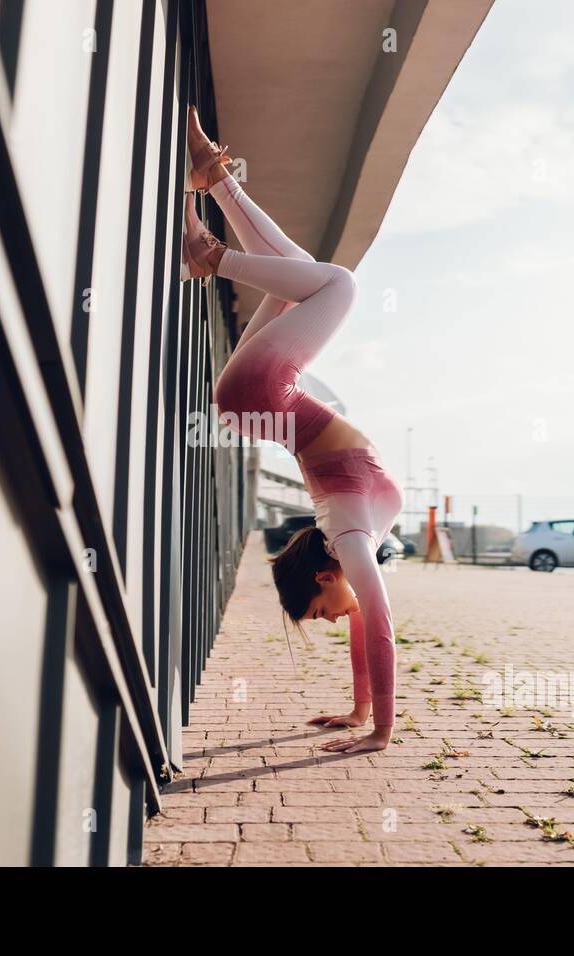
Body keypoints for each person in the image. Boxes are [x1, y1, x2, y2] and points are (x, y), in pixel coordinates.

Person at [181, 106, 403, 754]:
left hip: (259, 396)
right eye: (327, 618)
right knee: (311, 272)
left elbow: (380, 625)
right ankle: (214, 188)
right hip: (259, 399)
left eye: (322, 614)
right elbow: (371, 628)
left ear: (320, 579)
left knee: (338, 284)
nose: (337, 620)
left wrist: (380, 733)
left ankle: (210, 250)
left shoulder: (350, 538)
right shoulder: (356, 540)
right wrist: (364, 717)